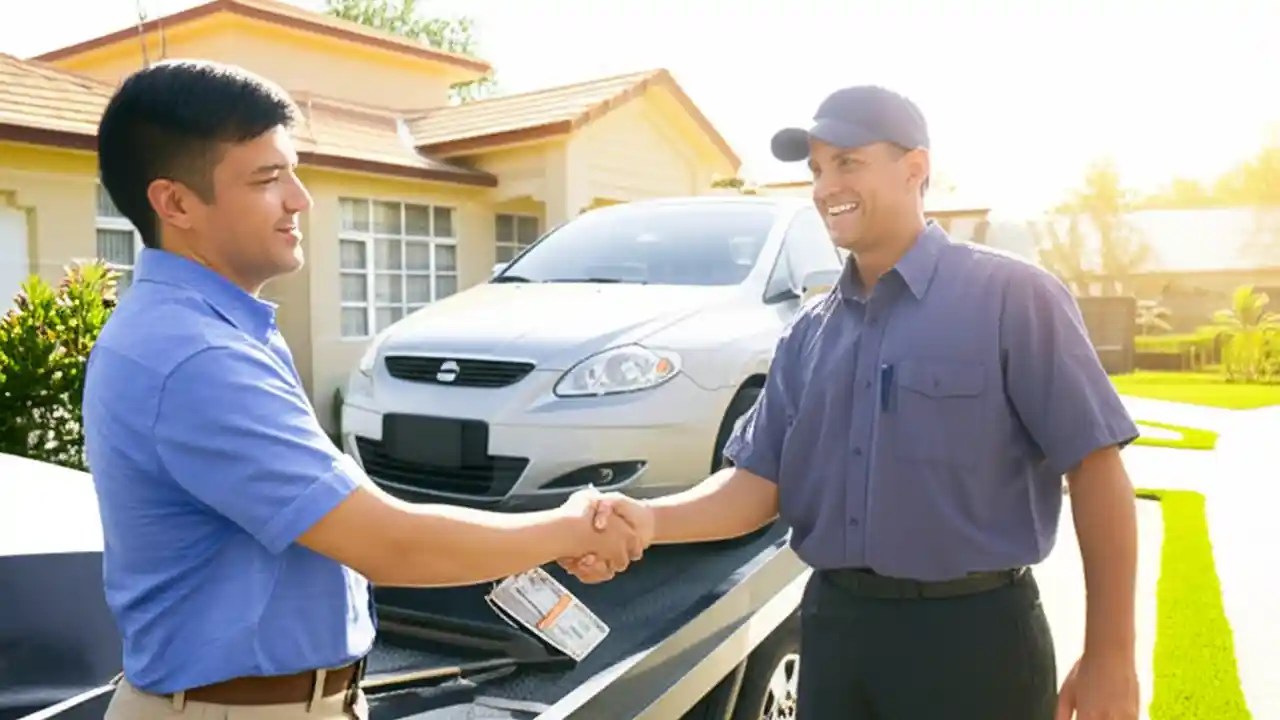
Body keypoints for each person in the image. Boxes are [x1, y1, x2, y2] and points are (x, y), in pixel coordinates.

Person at [560, 85, 1142, 720]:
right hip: (837, 631)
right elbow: (756, 485)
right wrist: (648, 521)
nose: (824, 186)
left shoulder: (1013, 298)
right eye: (815, 169)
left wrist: (1111, 655)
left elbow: (1095, 469)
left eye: (847, 162)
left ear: (915, 169)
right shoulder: (808, 334)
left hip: (975, 640)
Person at [83, 59, 642, 720]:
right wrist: (566, 529)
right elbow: (387, 543)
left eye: (292, 170)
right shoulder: (195, 356)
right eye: (267, 178)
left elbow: (351, 518)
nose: (300, 199)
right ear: (175, 203)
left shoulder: (217, 329)